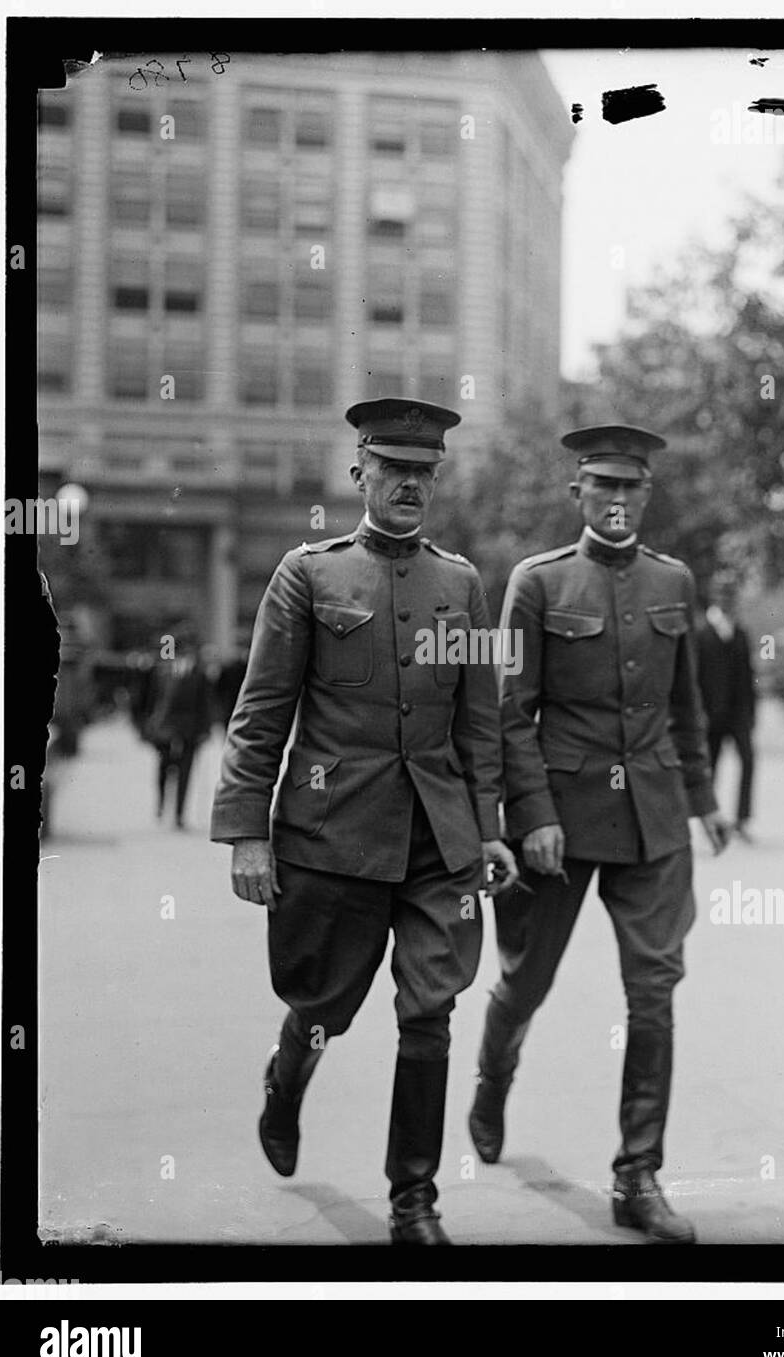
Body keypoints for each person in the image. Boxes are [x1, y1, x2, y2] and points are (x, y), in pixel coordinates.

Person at [210, 398, 518, 1246]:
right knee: (322, 1006)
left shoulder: (461, 584)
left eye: (425, 474)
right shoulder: (306, 575)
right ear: (362, 474)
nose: (411, 486)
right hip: (332, 837)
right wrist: (247, 830)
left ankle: (413, 1199)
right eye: (396, 471)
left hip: (437, 842)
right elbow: (262, 711)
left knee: (430, 1012)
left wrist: (489, 827)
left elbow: (478, 722)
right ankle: (287, 1077)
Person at [467, 424, 728, 1244]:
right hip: (562, 824)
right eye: (602, 489)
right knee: (524, 983)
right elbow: (512, 713)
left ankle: (637, 1177)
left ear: (646, 497)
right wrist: (534, 816)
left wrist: (705, 799)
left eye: (631, 490)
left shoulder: (674, 580)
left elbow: (686, 708)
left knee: (653, 995)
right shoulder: (538, 584)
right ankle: (492, 1074)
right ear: (578, 494)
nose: (617, 503)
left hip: (654, 822)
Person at [695, 572, 757, 840]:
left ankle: (742, 819)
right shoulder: (700, 633)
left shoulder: (741, 633)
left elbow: (747, 676)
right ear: (714, 597)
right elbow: (693, 679)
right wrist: (698, 714)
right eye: (722, 594)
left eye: (731, 594)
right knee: (712, 768)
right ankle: (711, 821)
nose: (727, 600)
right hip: (711, 715)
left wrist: (752, 713)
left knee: (749, 761)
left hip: (738, 714)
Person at [143, 633, 213, 830]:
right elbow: (152, 701)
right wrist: (148, 727)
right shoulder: (162, 672)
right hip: (165, 728)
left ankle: (179, 814)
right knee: (164, 767)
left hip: (190, 729)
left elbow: (205, 704)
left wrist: (205, 729)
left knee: (185, 772)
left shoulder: (199, 675)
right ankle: (161, 803)